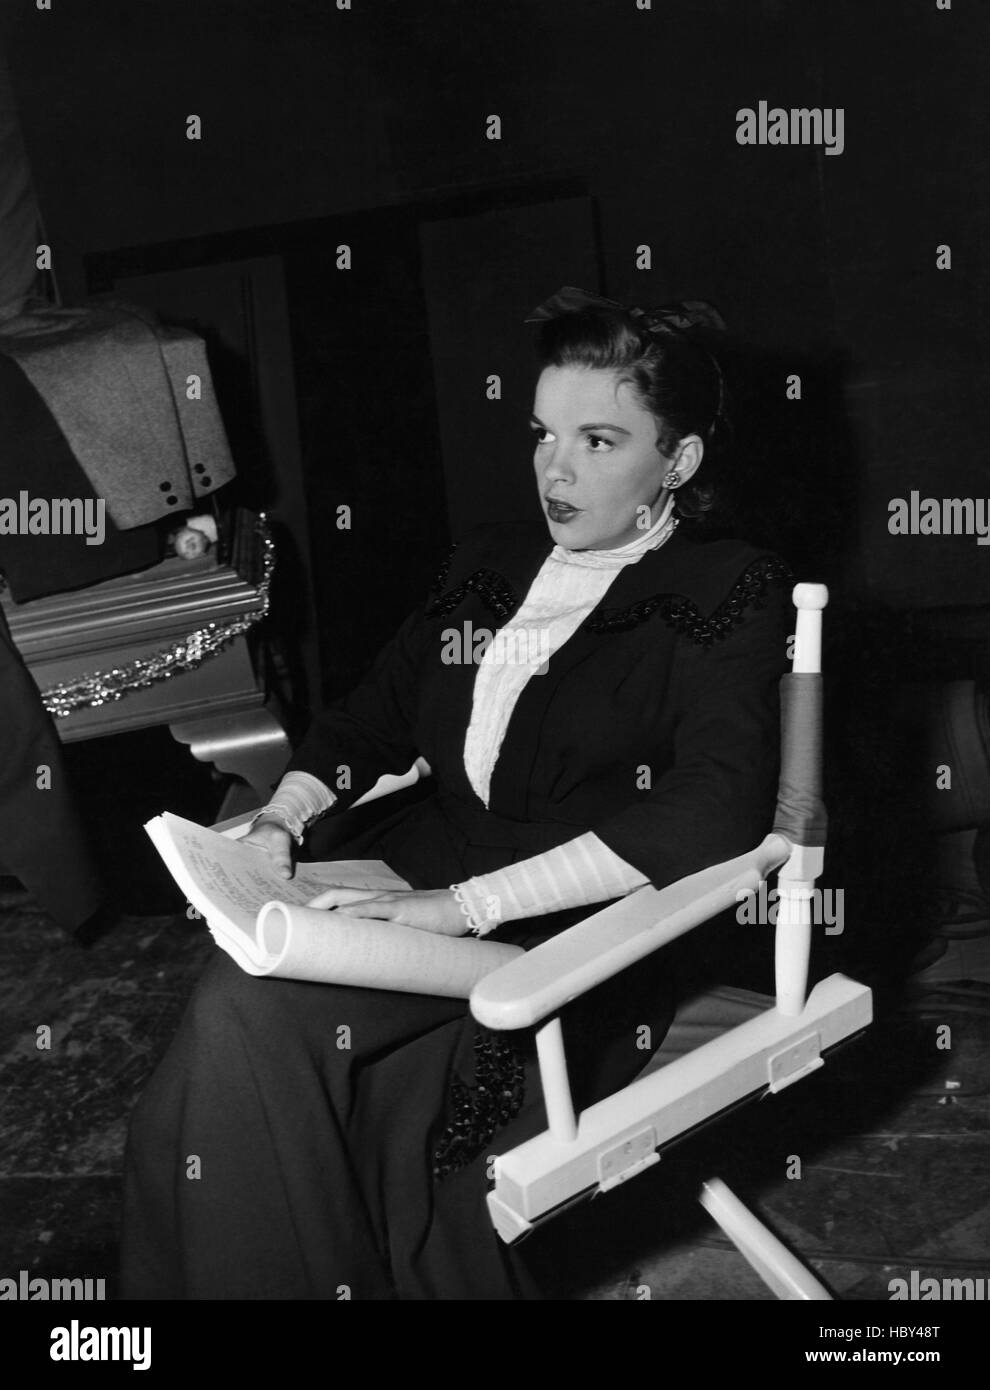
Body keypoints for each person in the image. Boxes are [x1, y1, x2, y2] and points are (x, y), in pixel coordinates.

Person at [120, 286, 794, 1300]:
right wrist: (278, 821)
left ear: (680, 461)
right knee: (220, 1044)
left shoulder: (725, 588)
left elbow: (713, 806)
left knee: (243, 1024)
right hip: (425, 894)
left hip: (569, 943)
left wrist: (463, 907)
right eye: (543, 433)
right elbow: (374, 714)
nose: (555, 468)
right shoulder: (491, 560)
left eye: (600, 440)